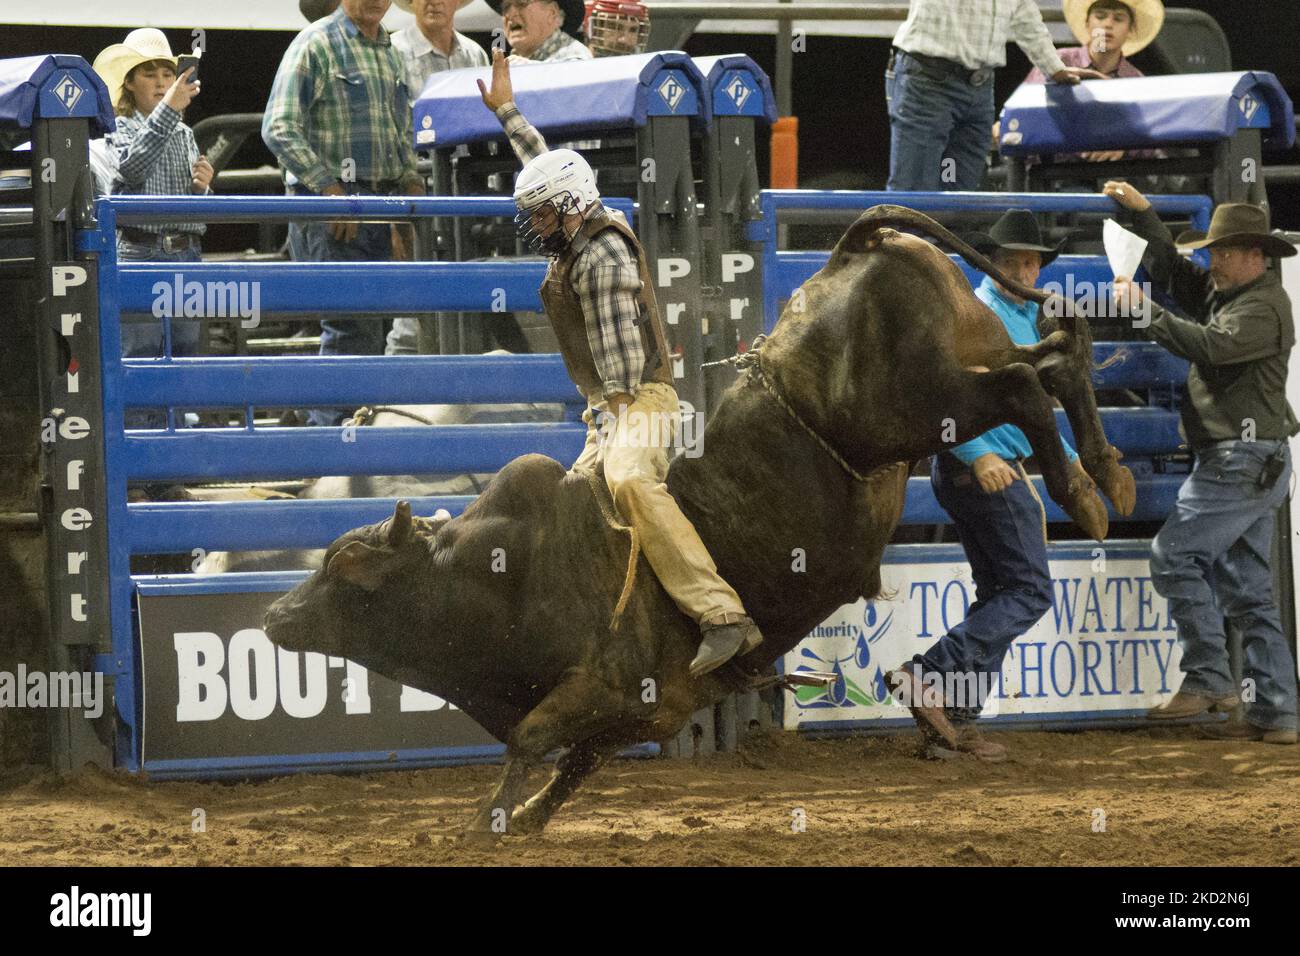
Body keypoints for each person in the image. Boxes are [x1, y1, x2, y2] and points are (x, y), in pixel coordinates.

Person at [476, 48, 761, 676]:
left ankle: (721, 614)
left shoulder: (601, 260)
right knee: (574, 504)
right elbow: (546, 169)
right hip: (614, 401)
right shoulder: (580, 220)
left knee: (630, 479)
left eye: (542, 214)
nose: (536, 223)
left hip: (640, 399)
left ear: (572, 209)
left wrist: (617, 424)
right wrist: (508, 113)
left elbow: (620, 358)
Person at [885, 210, 1086, 761]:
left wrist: (1069, 459)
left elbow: (1034, 412)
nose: (1026, 268)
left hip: (991, 466)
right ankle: (928, 672)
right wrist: (977, 453)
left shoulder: (1014, 318)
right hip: (987, 468)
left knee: (1001, 593)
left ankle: (951, 719)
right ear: (992, 264)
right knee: (1028, 591)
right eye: (1015, 259)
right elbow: (946, 393)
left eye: (1032, 260)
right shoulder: (978, 318)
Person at [1107, 181, 1299, 744]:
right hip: (1251, 459)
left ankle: (1209, 677)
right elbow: (1171, 271)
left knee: (1173, 554)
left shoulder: (1263, 306)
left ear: (1253, 256)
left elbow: (1211, 347)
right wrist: (1146, 216)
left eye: (1220, 252)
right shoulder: (1238, 293)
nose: (1210, 261)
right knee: (1248, 590)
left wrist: (1145, 314)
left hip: (1239, 460)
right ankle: (1278, 709)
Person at [263, 0, 424, 426]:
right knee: (350, 326)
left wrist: (407, 184)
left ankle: (321, 427)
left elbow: (397, 127)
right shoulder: (315, 43)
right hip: (333, 207)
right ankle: (333, 444)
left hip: (375, 204)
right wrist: (328, 187)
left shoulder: (387, 49)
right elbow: (278, 125)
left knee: (368, 326)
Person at [93, 27, 211, 411]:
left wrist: (200, 189)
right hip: (141, 254)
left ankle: (174, 465)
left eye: (167, 74)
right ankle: (143, 467)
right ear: (129, 83)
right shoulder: (118, 129)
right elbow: (129, 171)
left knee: (183, 366)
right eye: (150, 74)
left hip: (184, 256)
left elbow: (193, 213)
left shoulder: (184, 132)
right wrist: (167, 112)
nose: (161, 83)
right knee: (140, 365)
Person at [886, 0, 1102, 192]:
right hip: (930, 82)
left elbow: (1025, 16)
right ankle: (908, 236)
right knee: (914, 186)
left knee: (956, 185)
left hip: (975, 87)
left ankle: (945, 235)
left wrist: (1054, 68)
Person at [385, 0, 491, 357]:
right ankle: (393, 397)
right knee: (413, 306)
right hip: (418, 198)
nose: (433, 1)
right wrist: (395, 218)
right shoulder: (392, 52)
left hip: (466, 200)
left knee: (466, 296)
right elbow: (389, 134)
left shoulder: (475, 53)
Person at [1019, 0, 1164, 164]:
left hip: (1112, 174)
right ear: (1087, 25)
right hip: (1056, 171)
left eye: (1118, 19)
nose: (1108, 24)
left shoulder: (1135, 80)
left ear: (1130, 30)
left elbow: (1150, 137)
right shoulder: (1058, 62)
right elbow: (1026, 115)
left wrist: (1123, 147)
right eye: (1100, 16)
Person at [488, 0, 592, 63]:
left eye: (521, 3)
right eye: (505, 7)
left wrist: (527, 70)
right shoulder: (514, 62)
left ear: (552, 13)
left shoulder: (575, 58)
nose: (510, 14)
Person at [585, 0, 650, 57]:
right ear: (592, 29)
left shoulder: (644, 67)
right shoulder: (577, 65)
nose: (624, 40)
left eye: (633, 30)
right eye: (614, 27)